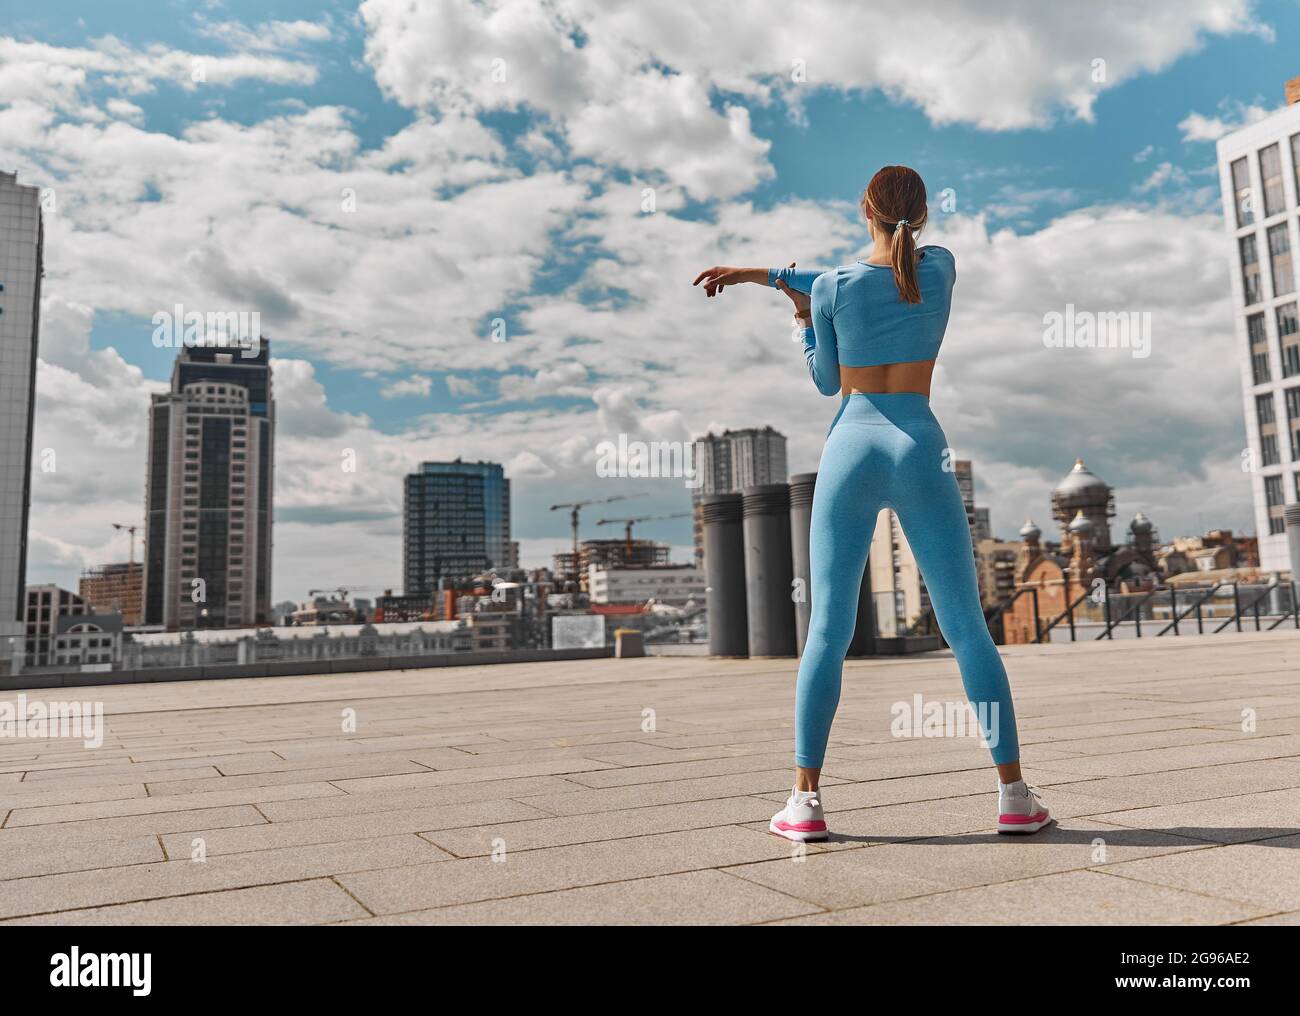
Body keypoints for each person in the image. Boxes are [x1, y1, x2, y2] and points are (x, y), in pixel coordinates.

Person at [692, 165, 1050, 841]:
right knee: (966, 628)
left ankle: (805, 804)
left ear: (865, 210)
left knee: (827, 632)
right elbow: (876, 269)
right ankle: (1014, 797)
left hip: (850, 448)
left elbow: (826, 381)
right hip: (920, 445)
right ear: (924, 213)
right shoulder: (941, 268)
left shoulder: (832, 288)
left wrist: (796, 310)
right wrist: (766, 276)